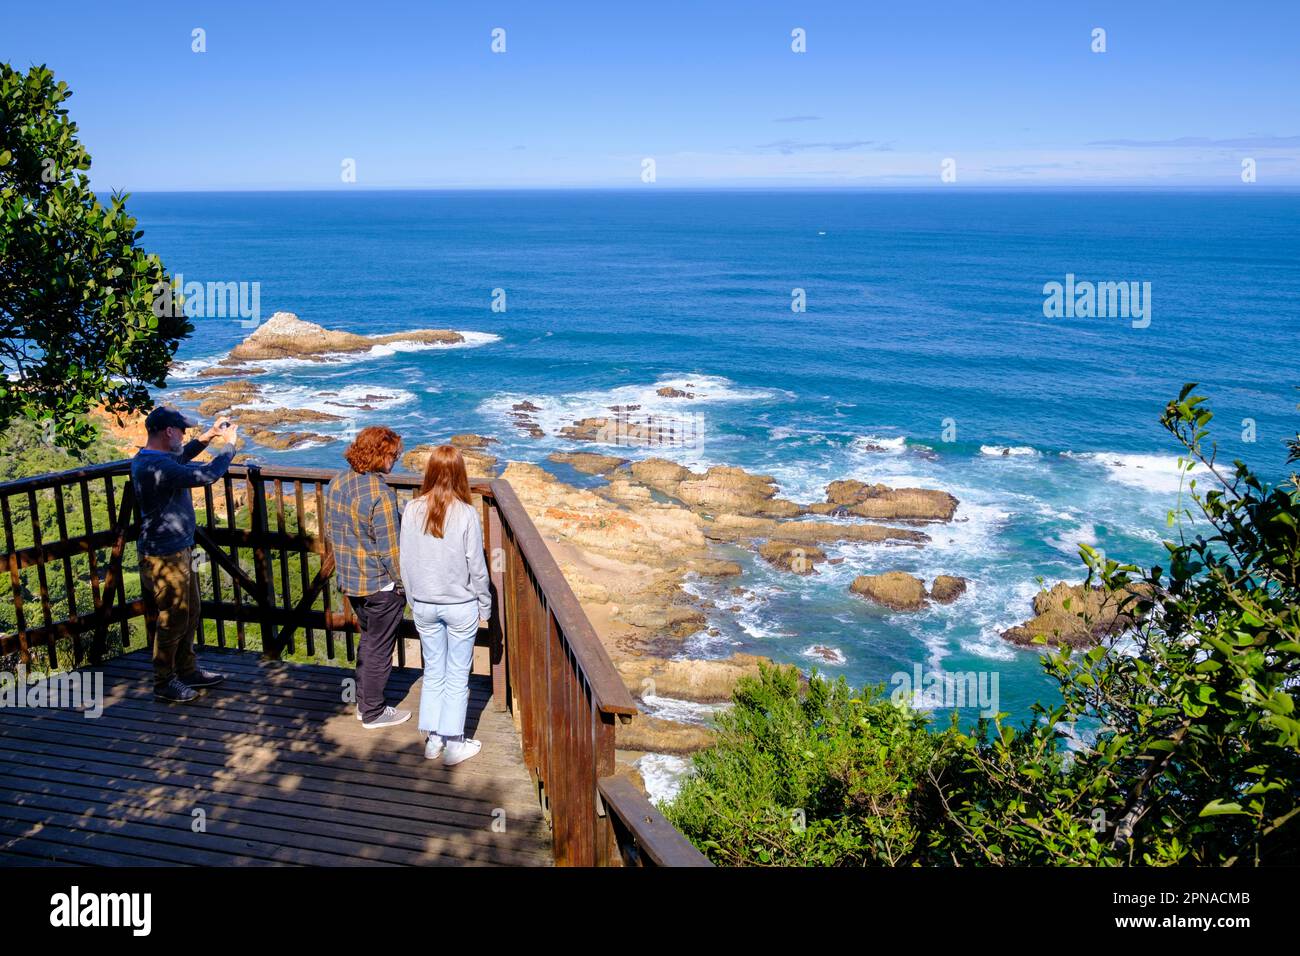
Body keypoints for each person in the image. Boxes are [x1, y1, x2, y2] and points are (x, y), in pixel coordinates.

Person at [132, 406, 238, 703]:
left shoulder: (152, 458)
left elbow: (181, 456)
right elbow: (206, 475)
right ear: (169, 431)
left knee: (190, 612)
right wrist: (229, 447)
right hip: (164, 554)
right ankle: (164, 681)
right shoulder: (158, 467)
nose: (185, 434)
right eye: (183, 430)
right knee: (174, 618)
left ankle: (187, 670)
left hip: (179, 547)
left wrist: (208, 436)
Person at [399, 445, 491, 766]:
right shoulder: (466, 513)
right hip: (459, 605)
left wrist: (413, 599)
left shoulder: (412, 510)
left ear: (431, 472)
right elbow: (477, 566)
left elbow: (406, 562)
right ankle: (454, 744)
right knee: (457, 674)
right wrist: (485, 604)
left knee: (434, 670)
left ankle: (433, 740)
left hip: (424, 604)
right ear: (460, 474)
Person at [322, 426, 411, 729]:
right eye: (391, 454)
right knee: (378, 646)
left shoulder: (337, 482)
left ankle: (364, 702)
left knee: (370, 640)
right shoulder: (381, 496)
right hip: (380, 585)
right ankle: (372, 711)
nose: (395, 460)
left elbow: (329, 532)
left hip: (351, 580)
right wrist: (403, 586)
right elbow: (392, 552)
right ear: (379, 455)